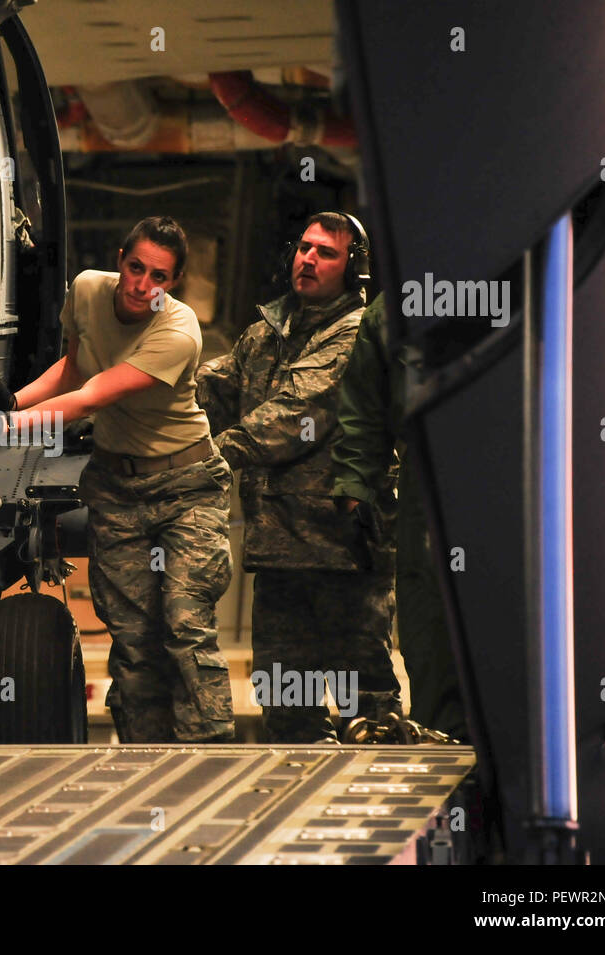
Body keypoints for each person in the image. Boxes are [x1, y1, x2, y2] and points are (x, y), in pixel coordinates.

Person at [10, 216, 235, 743]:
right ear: (120, 260)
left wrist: (3, 427)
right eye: (136, 268)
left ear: (172, 283)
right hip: (116, 489)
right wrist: (11, 402)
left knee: (185, 627)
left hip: (187, 488)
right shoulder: (87, 291)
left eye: (158, 277)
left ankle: (212, 757)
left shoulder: (177, 331)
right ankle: (146, 761)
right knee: (133, 642)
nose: (142, 286)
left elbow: (91, 397)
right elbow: (73, 370)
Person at [196, 212, 401, 743]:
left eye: (325, 253)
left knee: (369, 715)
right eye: (304, 248)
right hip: (279, 551)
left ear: (354, 270)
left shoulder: (357, 334)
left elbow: (293, 416)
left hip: (341, 549)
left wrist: (205, 459)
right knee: (289, 717)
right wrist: (136, 387)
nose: (307, 260)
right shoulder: (268, 331)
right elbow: (210, 386)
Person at [331, 293, 468, 740]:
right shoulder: (393, 311)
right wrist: (355, 492)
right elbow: (364, 413)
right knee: (429, 629)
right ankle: (448, 772)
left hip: (526, 474)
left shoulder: (538, 278)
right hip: (426, 479)